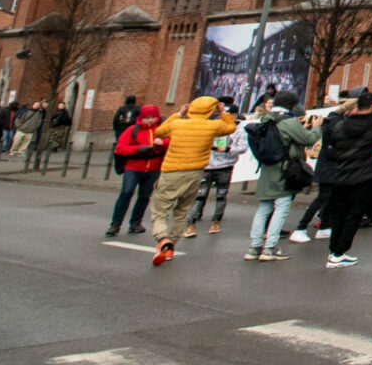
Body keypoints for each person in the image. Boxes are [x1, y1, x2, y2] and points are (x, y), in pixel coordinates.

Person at [147, 97, 238, 265]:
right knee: (182, 212)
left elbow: (159, 131)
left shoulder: (177, 124)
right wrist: (222, 112)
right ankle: (170, 246)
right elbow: (231, 127)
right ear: (210, 110)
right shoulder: (213, 126)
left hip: (171, 172)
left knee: (160, 212)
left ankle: (162, 238)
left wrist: (178, 114)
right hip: (195, 173)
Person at [317, 90, 372, 268]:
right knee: (354, 214)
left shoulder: (341, 125)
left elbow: (333, 144)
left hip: (341, 173)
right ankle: (340, 252)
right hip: (364, 175)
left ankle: (334, 250)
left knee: (339, 213)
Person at [243, 91, 318, 261]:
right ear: (292, 105)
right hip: (284, 168)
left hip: (267, 168)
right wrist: (317, 127)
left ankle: (254, 247)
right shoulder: (288, 120)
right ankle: (270, 247)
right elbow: (307, 139)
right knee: (281, 208)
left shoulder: (266, 118)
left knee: (263, 209)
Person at [107, 104, 166, 238]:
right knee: (126, 193)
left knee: (144, 196)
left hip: (153, 168)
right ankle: (115, 223)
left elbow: (170, 142)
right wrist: (138, 150)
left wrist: (162, 144)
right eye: (146, 118)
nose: (149, 120)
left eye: (152, 117)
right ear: (141, 118)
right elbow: (120, 148)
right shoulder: (132, 130)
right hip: (133, 167)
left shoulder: (161, 130)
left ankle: (135, 222)